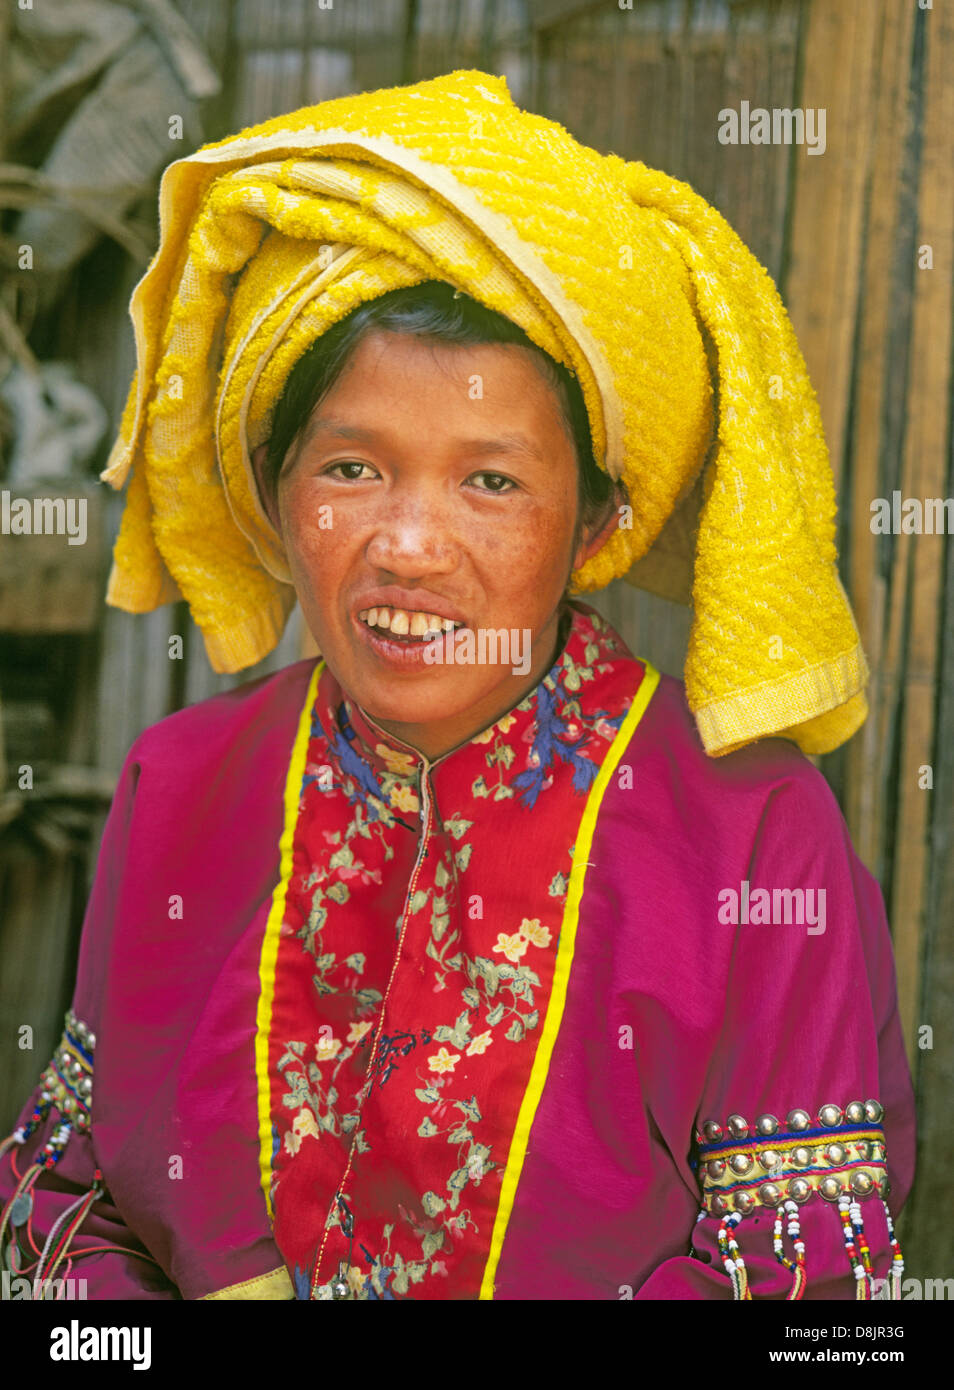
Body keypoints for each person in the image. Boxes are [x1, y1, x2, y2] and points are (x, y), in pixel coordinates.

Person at [0, 68, 914, 1301]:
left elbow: (806, 1290)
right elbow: (64, 1202)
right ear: (276, 497)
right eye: (352, 468)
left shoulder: (752, 838)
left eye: (490, 482)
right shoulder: (181, 789)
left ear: (596, 520)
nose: (408, 546)